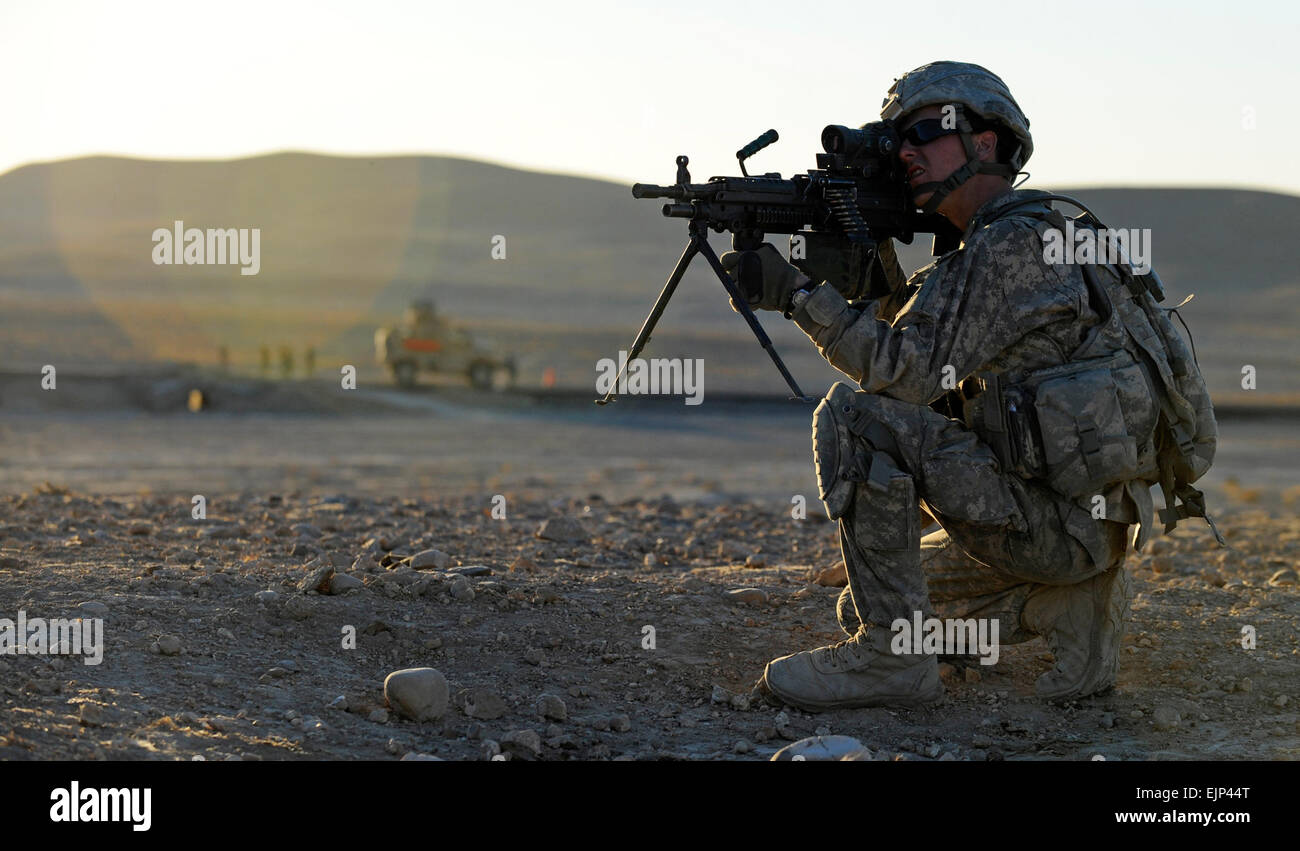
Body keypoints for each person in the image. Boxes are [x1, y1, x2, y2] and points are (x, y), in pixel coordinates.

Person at [720, 61, 1216, 711]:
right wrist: (861, 275)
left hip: (1052, 523)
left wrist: (799, 295)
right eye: (899, 139)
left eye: (924, 131)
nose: (904, 151)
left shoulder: (1009, 247)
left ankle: (892, 662)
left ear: (986, 143)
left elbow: (901, 374)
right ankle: (1065, 607)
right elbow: (927, 376)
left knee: (853, 418)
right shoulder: (1050, 231)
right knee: (860, 602)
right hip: (1089, 525)